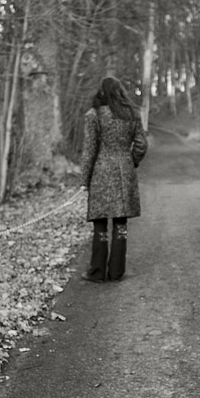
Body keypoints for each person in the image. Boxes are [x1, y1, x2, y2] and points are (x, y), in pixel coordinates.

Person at [80, 76, 148, 283]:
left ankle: (97, 272)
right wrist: (131, 162)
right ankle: (117, 271)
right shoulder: (132, 114)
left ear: (101, 93)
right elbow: (141, 145)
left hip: (101, 172)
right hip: (124, 171)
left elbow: (89, 150)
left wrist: (85, 179)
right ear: (120, 92)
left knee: (100, 224)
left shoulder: (94, 116)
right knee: (120, 223)